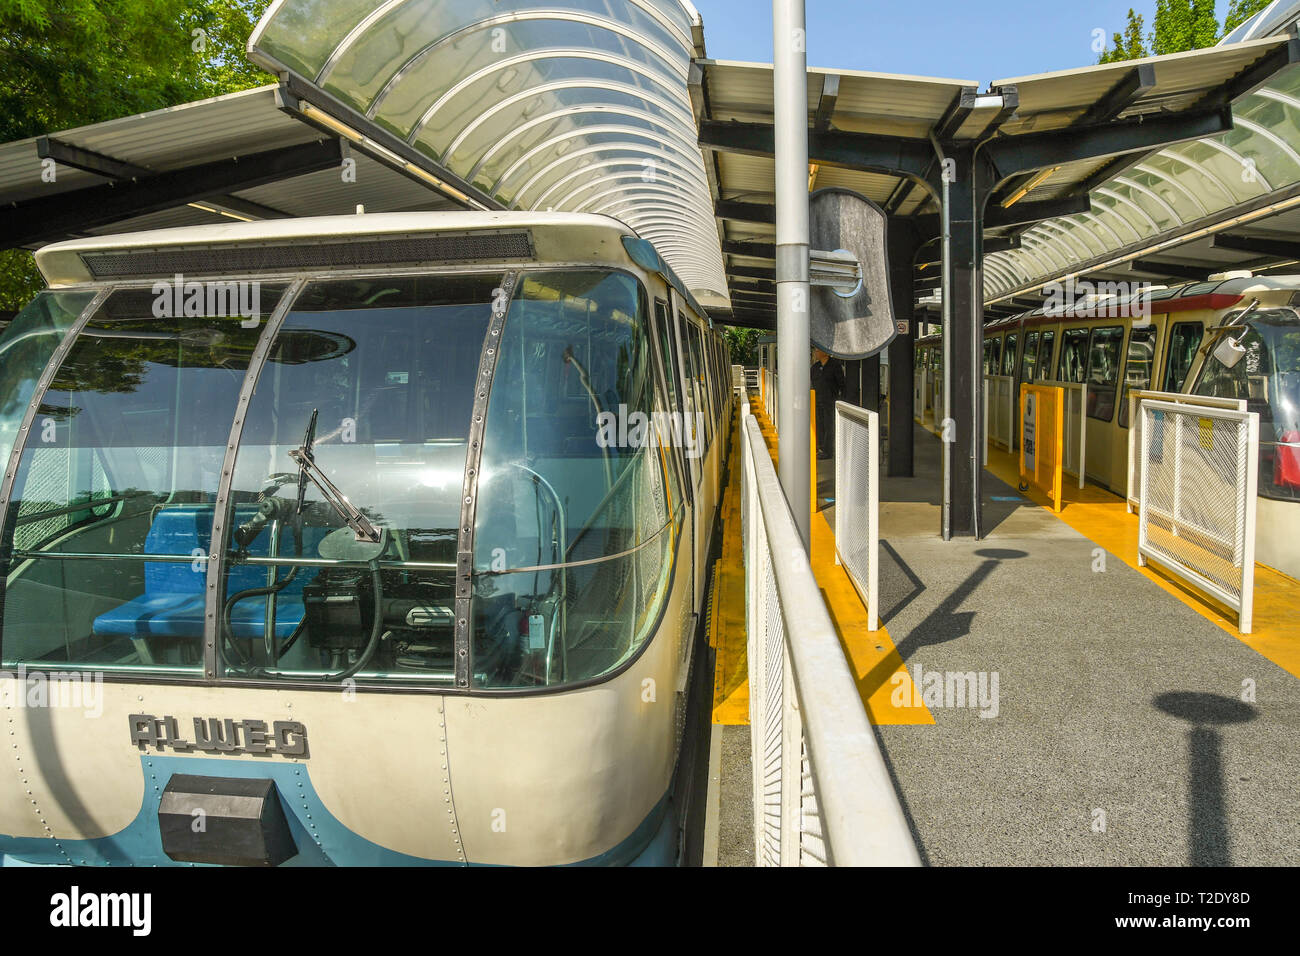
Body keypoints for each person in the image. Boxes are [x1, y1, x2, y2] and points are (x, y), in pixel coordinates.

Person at [810, 348, 844, 459]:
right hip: (817, 401)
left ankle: (827, 451)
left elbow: (841, 383)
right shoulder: (815, 368)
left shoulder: (835, 366)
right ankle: (819, 447)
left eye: (818, 351)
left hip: (830, 401)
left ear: (825, 352)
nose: (816, 353)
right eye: (815, 351)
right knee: (819, 424)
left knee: (829, 425)